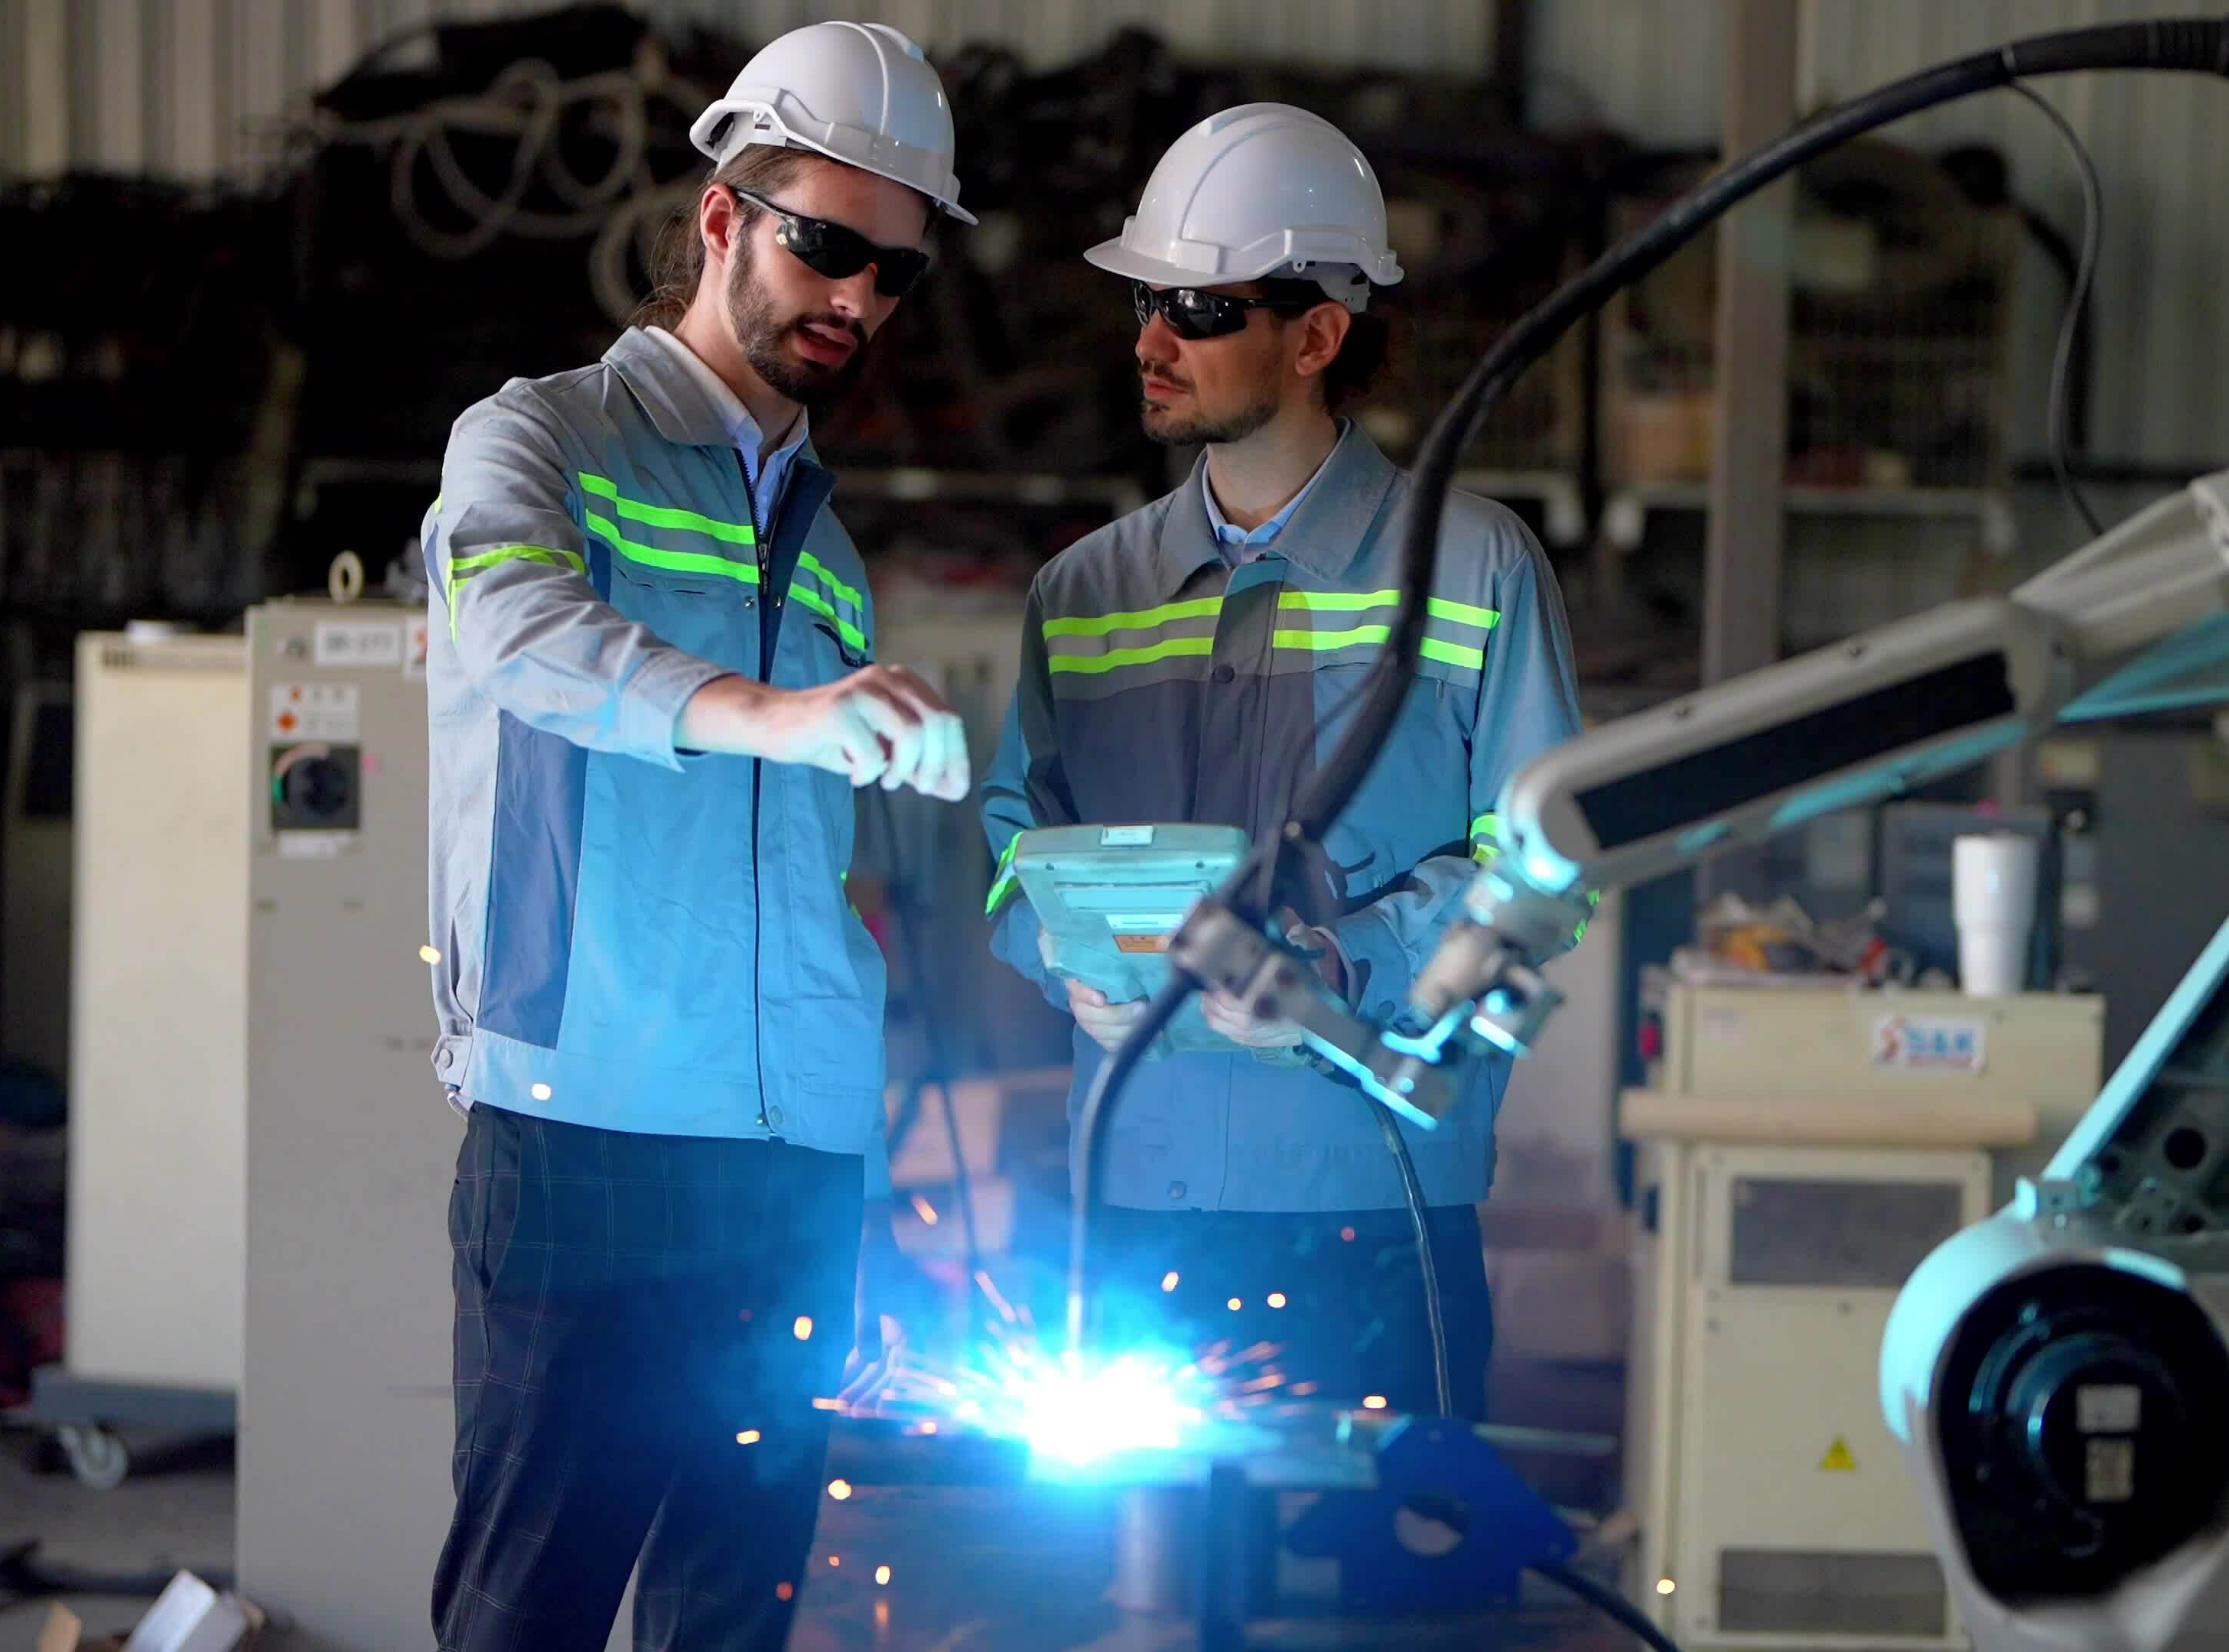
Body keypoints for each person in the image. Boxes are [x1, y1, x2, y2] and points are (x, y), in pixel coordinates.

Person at [418, 21, 975, 1650]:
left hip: (791, 1157)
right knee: (535, 1614)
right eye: (827, 246)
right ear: (724, 217)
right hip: (586, 1127)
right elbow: (517, 638)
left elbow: (801, 859)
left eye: (894, 273)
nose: (859, 300)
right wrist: (776, 711)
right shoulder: (537, 441)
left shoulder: (828, 548)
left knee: (733, 1618)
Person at [978, 103, 1584, 1420]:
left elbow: (1547, 864)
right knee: (1153, 1606)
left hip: (1372, 1202)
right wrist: (1060, 954)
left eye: (1196, 310)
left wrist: (1338, 960)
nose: (1148, 343)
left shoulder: (1470, 569)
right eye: (1146, 304)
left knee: (1390, 1614)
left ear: (1316, 336)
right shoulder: (1081, 594)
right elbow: (1011, 841)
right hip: (1139, 1193)